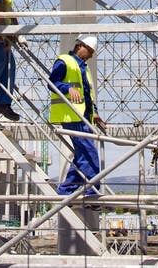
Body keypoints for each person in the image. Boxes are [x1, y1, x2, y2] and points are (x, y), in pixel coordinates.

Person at [49, 34, 106, 195]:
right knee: (89, 152)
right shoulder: (65, 61)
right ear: (80, 46)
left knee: (83, 155)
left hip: (83, 116)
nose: (91, 55)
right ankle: (92, 191)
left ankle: (66, 190)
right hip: (72, 115)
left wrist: (94, 113)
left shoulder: (84, 67)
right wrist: (68, 89)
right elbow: (52, 82)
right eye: (90, 51)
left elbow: (87, 94)